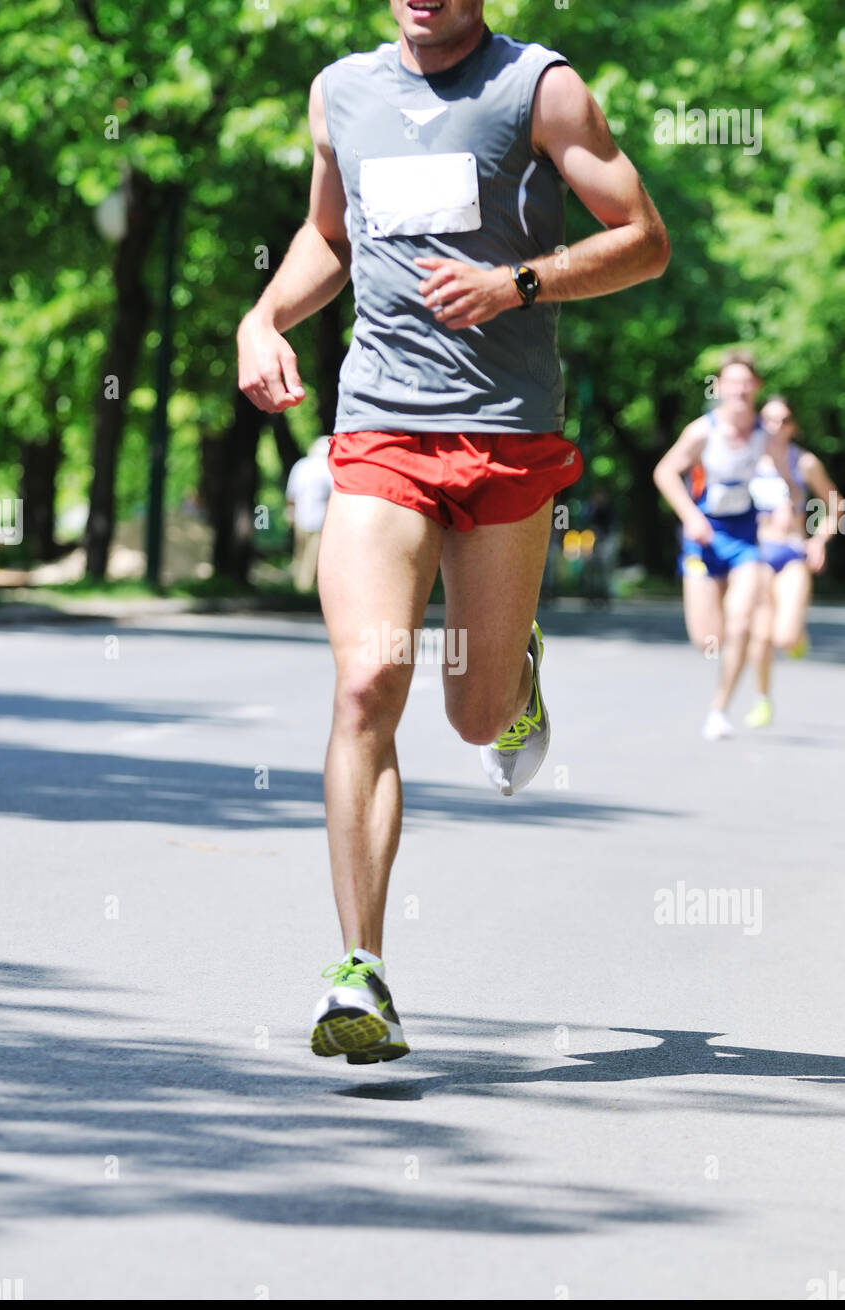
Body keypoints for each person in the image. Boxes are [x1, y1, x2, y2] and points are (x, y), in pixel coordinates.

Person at [237, 0, 669, 1063]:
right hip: (379, 429)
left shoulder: (538, 88)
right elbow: (327, 236)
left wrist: (516, 280)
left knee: (474, 718)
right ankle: (360, 969)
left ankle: (511, 672)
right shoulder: (340, 91)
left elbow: (642, 241)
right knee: (362, 685)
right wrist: (261, 319)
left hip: (507, 436)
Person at [653, 351, 798, 742]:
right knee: (708, 639)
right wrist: (690, 516)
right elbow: (664, 471)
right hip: (704, 538)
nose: (738, 389)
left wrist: (787, 505)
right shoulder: (703, 431)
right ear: (718, 388)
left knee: (741, 621)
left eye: (745, 382)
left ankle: (720, 708)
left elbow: (789, 480)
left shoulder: (764, 437)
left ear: (756, 388)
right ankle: (720, 683)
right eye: (730, 382)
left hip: (745, 538)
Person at [744, 396, 841, 727]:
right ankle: (762, 699)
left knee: (783, 636)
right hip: (756, 553)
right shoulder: (748, 459)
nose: (775, 426)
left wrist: (819, 539)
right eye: (768, 419)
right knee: (760, 634)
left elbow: (836, 505)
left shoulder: (805, 462)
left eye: (783, 420)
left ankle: (796, 637)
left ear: (793, 426)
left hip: (792, 552)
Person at [285, 435, 333, 592]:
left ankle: (298, 585)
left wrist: (290, 513)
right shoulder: (328, 468)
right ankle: (305, 588)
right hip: (321, 519)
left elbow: (291, 494)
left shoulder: (301, 466)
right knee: (313, 556)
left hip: (301, 516)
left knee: (299, 552)